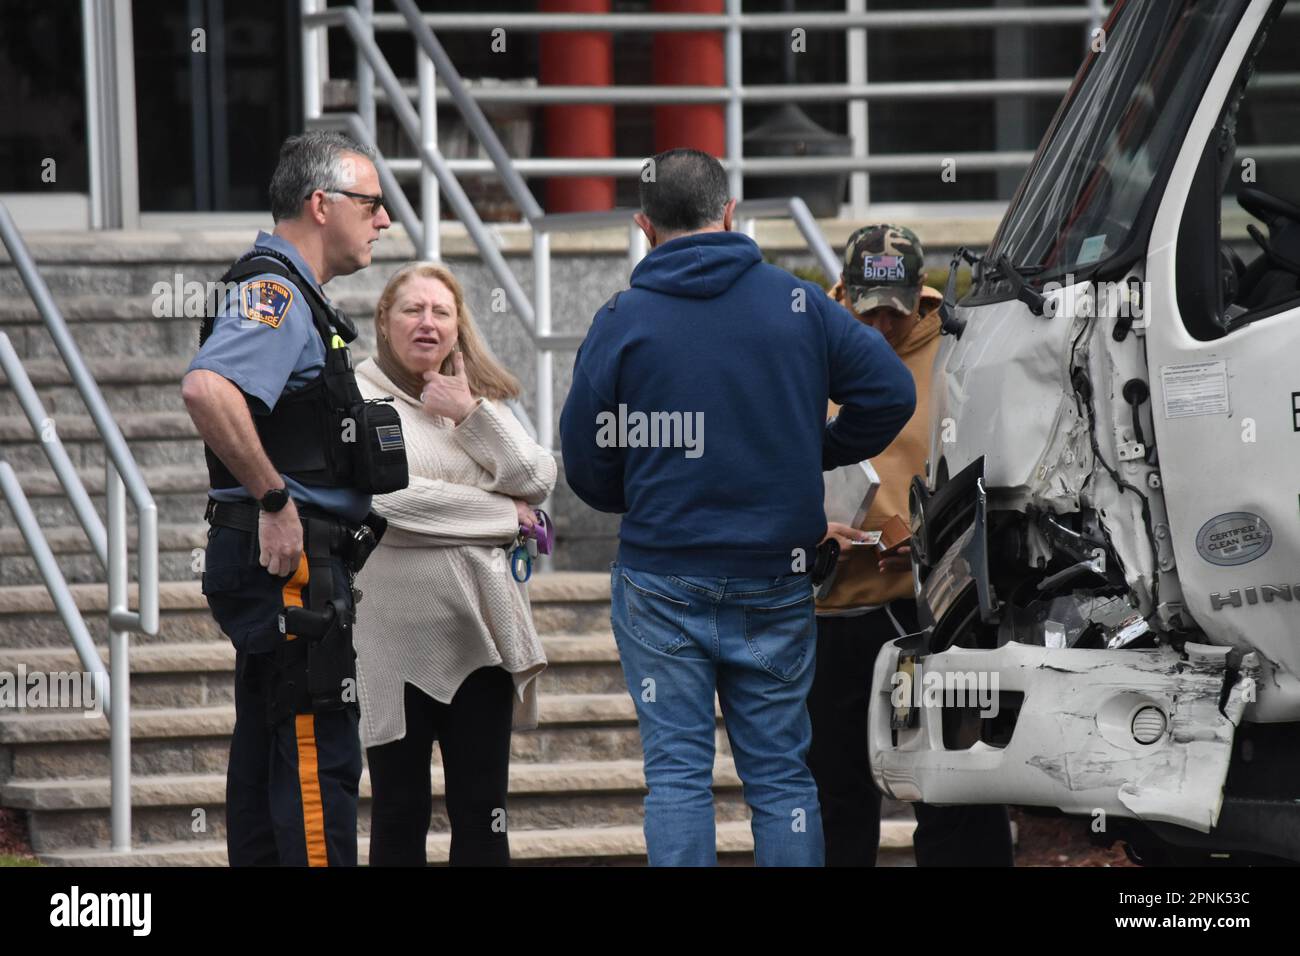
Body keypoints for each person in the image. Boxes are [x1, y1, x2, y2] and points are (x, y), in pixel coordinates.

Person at [559, 148, 916, 866]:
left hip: (661, 576)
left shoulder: (621, 318)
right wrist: (804, 452)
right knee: (783, 778)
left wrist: (645, 489)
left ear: (643, 226)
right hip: (775, 577)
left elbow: (587, 464)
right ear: (730, 215)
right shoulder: (798, 302)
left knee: (678, 780)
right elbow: (891, 394)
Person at [181, 130, 399, 867]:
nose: (385, 221)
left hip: (293, 570)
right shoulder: (274, 292)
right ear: (321, 203)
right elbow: (208, 389)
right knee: (315, 764)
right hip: (292, 569)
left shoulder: (297, 296)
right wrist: (276, 502)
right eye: (372, 203)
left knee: (273, 760)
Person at [807, 223, 1015, 866]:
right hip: (831, 606)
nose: (880, 328)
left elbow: (996, 470)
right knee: (833, 798)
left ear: (921, 296)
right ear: (844, 296)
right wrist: (808, 530)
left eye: (895, 313)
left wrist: (931, 537)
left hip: (930, 612)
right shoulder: (810, 349)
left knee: (954, 792)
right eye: (867, 312)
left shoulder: (956, 353)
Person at [352, 262, 556, 866]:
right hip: (394, 647)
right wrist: (501, 517)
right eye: (412, 309)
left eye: (441, 311)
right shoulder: (358, 398)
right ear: (384, 321)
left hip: (480, 640)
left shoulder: (473, 397)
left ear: (458, 326)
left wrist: (470, 413)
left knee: (483, 815)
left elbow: (538, 478)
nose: (428, 322)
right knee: (397, 813)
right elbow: (386, 503)